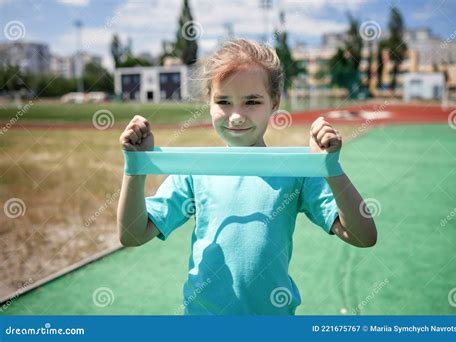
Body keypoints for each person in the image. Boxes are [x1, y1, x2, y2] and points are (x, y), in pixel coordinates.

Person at [117, 38, 377, 315]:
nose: (237, 116)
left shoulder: (293, 171)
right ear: (209, 102)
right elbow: (132, 234)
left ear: (274, 103)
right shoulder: (197, 170)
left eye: (252, 101)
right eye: (224, 102)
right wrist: (135, 167)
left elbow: (363, 236)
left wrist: (330, 169)